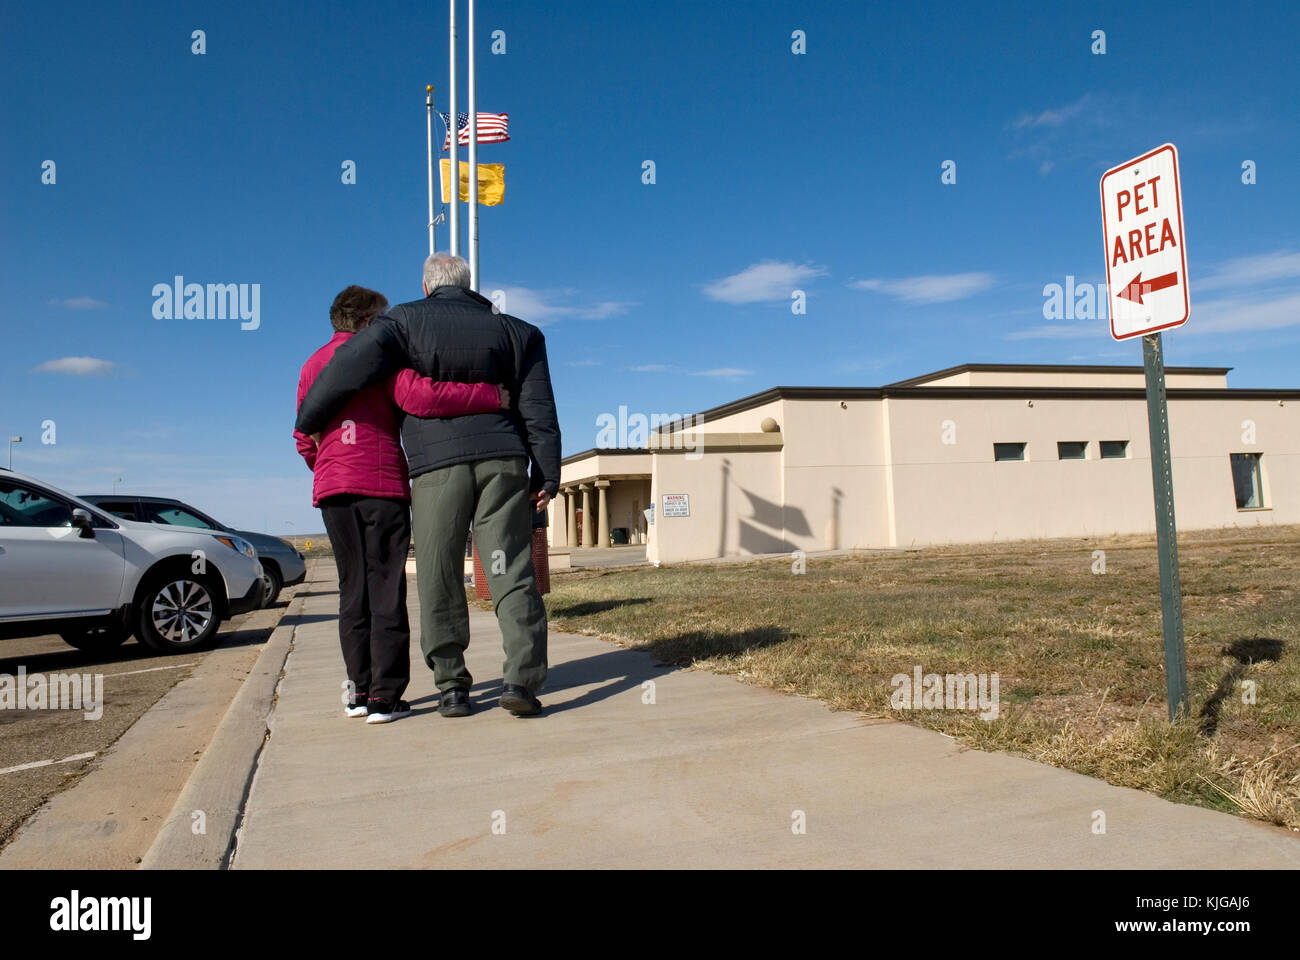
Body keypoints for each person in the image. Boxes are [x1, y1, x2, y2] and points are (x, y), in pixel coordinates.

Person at [295, 255, 560, 718]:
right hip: (504, 458)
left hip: (437, 466)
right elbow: (539, 407)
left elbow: (345, 364)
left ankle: (452, 686)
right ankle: (521, 679)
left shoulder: (402, 322)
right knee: (511, 570)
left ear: (425, 286)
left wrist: (309, 419)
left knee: (437, 571)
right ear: (468, 284)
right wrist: (548, 472)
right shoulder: (521, 332)